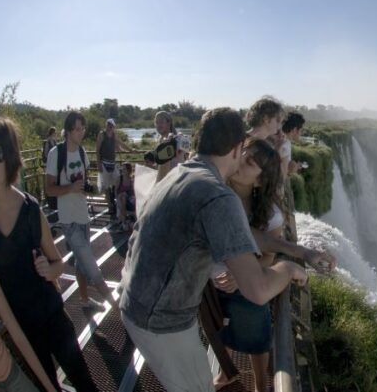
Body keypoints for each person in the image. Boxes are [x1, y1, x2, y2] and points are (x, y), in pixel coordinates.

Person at [119, 108, 308, 392]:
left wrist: (297, 250)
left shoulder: (180, 172)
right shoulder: (218, 196)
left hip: (135, 301)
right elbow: (256, 289)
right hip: (161, 321)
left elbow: (246, 234)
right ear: (236, 149)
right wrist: (289, 268)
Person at [214, 138, 336, 392]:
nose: (241, 162)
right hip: (209, 276)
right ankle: (226, 372)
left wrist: (243, 273)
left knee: (253, 311)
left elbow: (266, 254)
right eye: (243, 153)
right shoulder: (217, 189)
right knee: (217, 324)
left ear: (260, 180)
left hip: (237, 279)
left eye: (251, 162)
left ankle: (261, 385)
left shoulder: (270, 214)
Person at [0, 117, 96, 392]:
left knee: (84, 382)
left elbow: (59, 262)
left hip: (52, 316)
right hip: (21, 329)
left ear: (10, 155)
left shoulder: (30, 209)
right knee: (47, 385)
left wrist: (52, 270)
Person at [45, 111, 112, 311]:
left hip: (84, 216)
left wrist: (89, 187)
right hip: (69, 219)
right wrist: (70, 189)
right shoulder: (55, 154)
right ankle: (118, 308)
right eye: (76, 129)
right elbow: (48, 189)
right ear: (67, 131)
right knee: (91, 266)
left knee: (82, 263)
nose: (80, 132)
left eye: (82, 128)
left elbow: (83, 182)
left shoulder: (82, 152)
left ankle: (84, 300)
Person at [96, 118, 134, 216]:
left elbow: (120, 144)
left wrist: (130, 150)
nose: (110, 127)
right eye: (108, 125)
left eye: (111, 126)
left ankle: (116, 204)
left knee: (116, 183)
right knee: (106, 187)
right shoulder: (101, 134)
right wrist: (98, 163)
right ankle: (110, 206)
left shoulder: (114, 135)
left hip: (112, 163)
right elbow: (97, 150)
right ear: (106, 125)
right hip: (104, 163)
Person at [153, 110, 186, 182]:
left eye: (161, 122)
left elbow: (182, 162)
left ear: (169, 123)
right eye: (156, 122)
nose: (158, 125)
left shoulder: (177, 140)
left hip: (174, 180)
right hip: (162, 179)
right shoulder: (159, 140)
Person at [280, 112, 306, 178]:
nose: (301, 133)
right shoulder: (284, 144)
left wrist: (294, 167)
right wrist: (292, 170)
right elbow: (281, 174)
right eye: (301, 130)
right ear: (294, 130)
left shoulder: (283, 140)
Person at [115, 163, 136, 232]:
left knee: (124, 196)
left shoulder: (131, 179)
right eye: (122, 168)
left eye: (124, 169)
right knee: (122, 196)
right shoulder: (119, 179)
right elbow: (116, 191)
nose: (122, 170)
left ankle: (126, 221)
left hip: (129, 199)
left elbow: (133, 192)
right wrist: (117, 199)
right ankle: (125, 221)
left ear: (128, 170)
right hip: (121, 199)